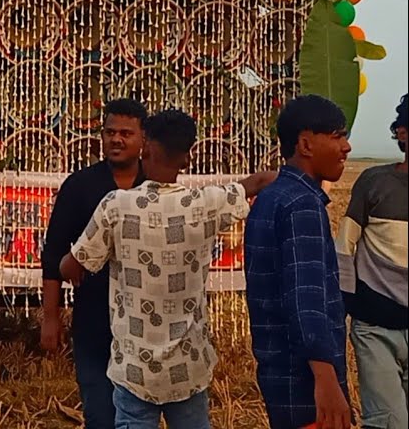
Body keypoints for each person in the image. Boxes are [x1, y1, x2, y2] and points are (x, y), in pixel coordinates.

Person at [59, 110, 277, 429]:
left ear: (145, 147)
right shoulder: (207, 204)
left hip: (135, 368)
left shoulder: (116, 206)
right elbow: (261, 181)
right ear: (186, 159)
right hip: (188, 366)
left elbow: (69, 267)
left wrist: (76, 264)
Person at [245, 95, 353, 429]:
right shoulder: (301, 205)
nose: (347, 147)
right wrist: (326, 379)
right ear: (305, 144)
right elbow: (304, 299)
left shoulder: (271, 198)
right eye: (336, 136)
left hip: (280, 373)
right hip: (306, 382)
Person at [40, 98, 148, 429]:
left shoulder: (157, 189)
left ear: (144, 139)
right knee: (100, 412)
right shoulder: (80, 186)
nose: (116, 140)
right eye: (110, 132)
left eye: (126, 133)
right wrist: (50, 319)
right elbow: (54, 253)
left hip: (145, 324)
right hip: (93, 319)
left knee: (137, 415)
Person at [337, 94, 408, 429]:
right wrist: (353, 302)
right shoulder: (374, 181)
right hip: (376, 326)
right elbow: (345, 244)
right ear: (402, 133)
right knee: (389, 421)